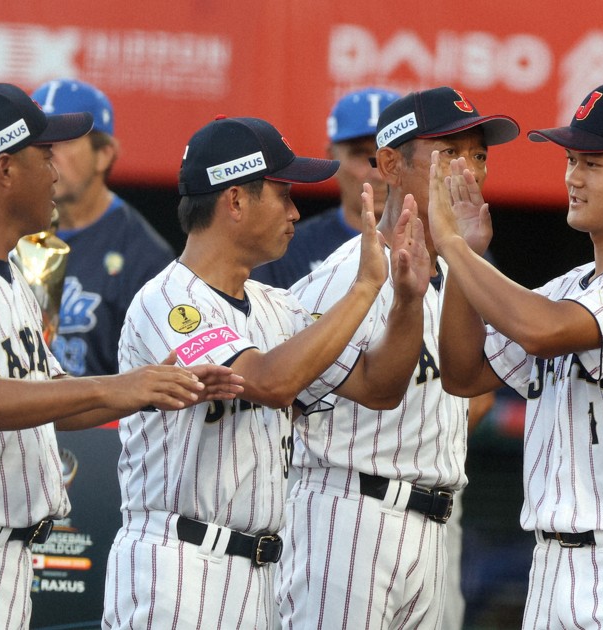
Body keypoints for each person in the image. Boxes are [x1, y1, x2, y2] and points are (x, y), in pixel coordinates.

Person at [0, 83, 242, 630]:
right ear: (5, 169)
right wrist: (112, 388)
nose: (56, 172)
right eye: (44, 156)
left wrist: (162, 387)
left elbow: (49, 400)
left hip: (0, 557)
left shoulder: (10, 273)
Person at [102, 115, 431, 629]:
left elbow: (378, 388)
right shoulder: (168, 300)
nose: (297, 211)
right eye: (283, 194)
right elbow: (268, 382)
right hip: (178, 563)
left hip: (257, 574)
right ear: (234, 201)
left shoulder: (276, 307)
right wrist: (365, 288)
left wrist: (407, 302)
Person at [428, 77, 603, 628]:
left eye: (593, 163)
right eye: (572, 160)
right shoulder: (569, 286)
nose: (573, 177)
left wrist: (451, 247)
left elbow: (542, 331)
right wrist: (464, 257)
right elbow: (463, 373)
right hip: (554, 563)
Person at [277, 86, 517, 629]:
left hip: (434, 523)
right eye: (450, 153)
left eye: (478, 154)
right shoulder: (339, 280)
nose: (470, 171)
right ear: (389, 163)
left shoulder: (466, 277)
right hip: (348, 517)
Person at [29, 79, 175, 377]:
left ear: (104, 154)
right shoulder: (8, 234)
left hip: (99, 422)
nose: (48, 153)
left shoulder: (144, 257)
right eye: (40, 142)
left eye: (64, 140)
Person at [251, 87, 400, 288]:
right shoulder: (285, 249)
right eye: (361, 155)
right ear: (332, 157)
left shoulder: (443, 245)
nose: (377, 172)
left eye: (390, 155)